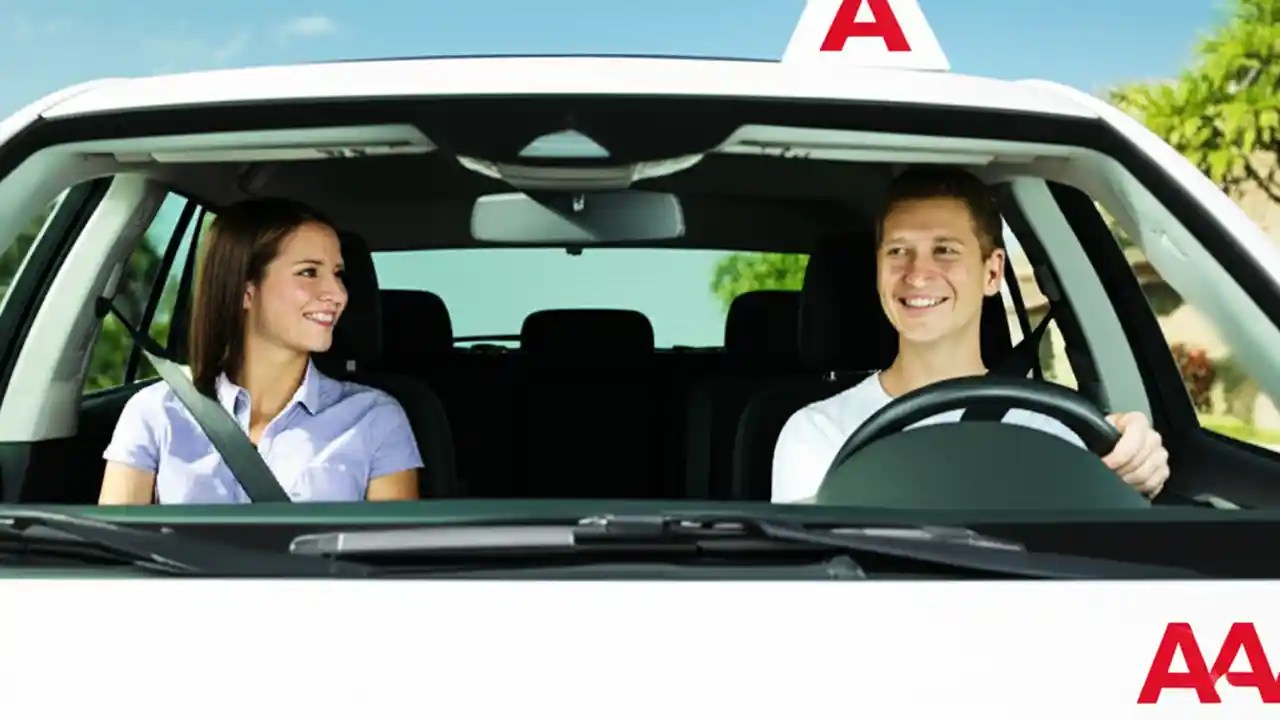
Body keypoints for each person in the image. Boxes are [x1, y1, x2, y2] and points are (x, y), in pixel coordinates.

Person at [770, 166, 1170, 504]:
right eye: (897, 251)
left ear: (993, 273)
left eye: (944, 250)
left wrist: (1136, 460)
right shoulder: (817, 434)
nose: (917, 274)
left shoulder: (1056, 430)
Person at [99, 198, 423, 504]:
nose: (338, 294)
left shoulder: (374, 418)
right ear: (245, 290)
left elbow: (388, 557)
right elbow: (114, 552)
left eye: (338, 275)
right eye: (309, 272)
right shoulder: (156, 413)